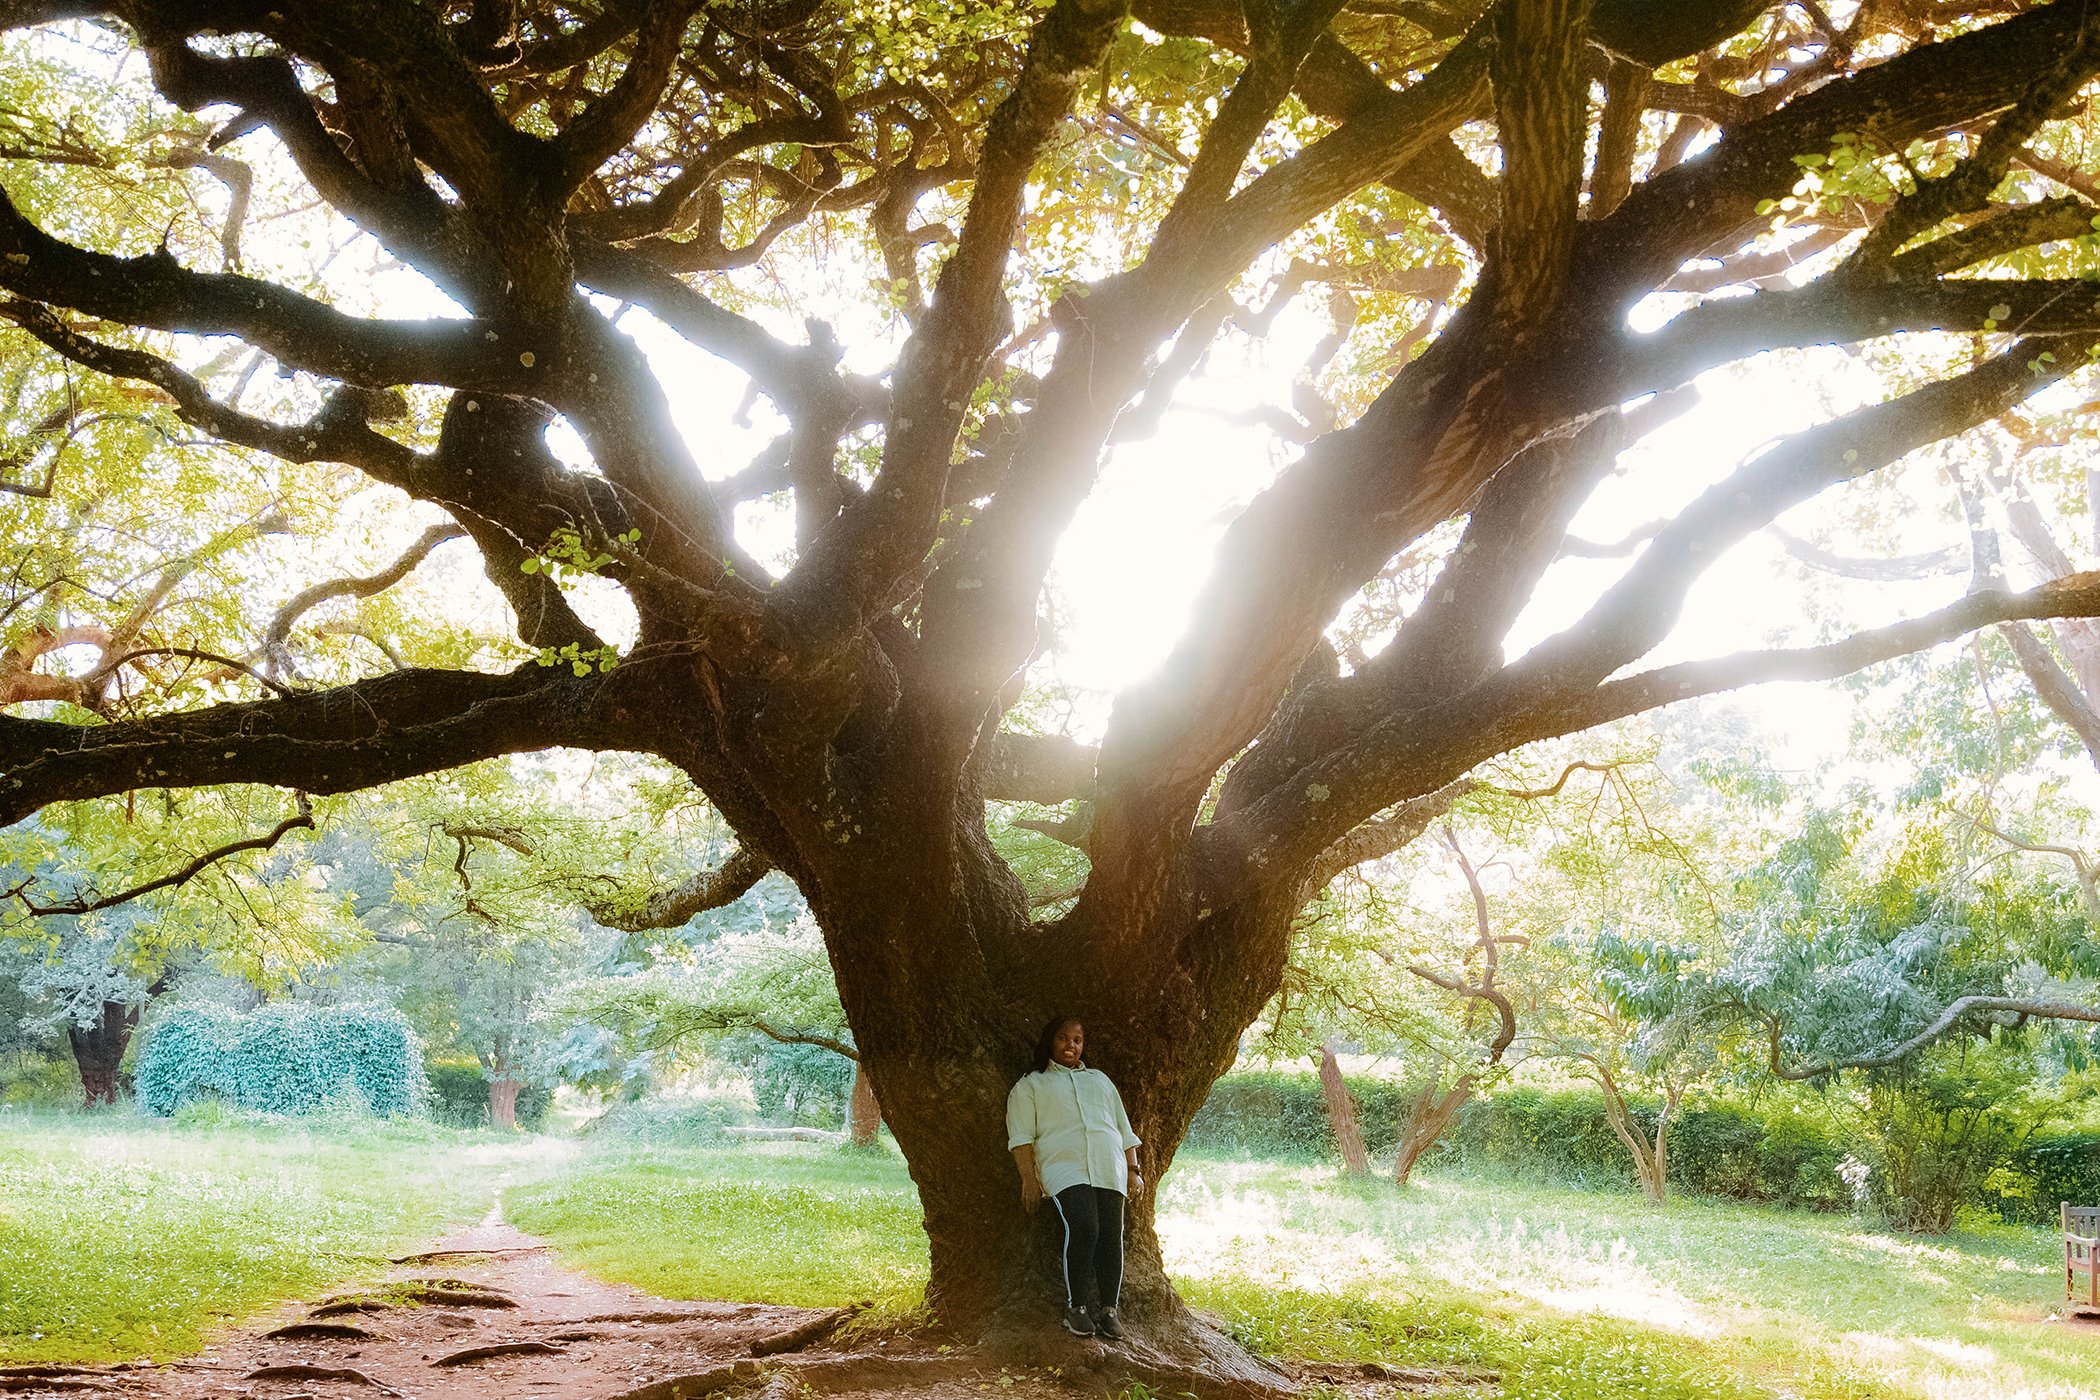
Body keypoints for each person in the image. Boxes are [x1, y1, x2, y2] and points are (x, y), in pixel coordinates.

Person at [1006, 1015, 1143, 1340]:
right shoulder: (1031, 1085)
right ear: (1050, 1041)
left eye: (1077, 1040)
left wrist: (1134, 1170)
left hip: (1109, 1165)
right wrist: (1028, 1177)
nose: (1071, 1045)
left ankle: (1109, 1311)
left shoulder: (1100, 1081)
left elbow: (1125, 1131)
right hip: (1064, 1167)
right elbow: (1021, 1137)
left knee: (1111, 1234)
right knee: (1085, 1226)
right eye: (1063, 1038)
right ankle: (1076, 1308)